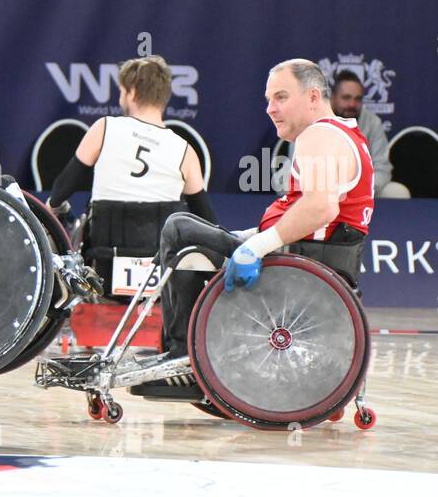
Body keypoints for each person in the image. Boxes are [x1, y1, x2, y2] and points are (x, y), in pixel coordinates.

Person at [135, 59, 374, 398]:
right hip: (309, 254)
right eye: (268, 100)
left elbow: (322, 207)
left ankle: (184, 358)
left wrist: (256, 246)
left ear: (313, 97)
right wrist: (254, 237)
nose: (270, 109)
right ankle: (191, 353)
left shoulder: (320, 134)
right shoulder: (343, 134)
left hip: (302, 263)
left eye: (280, 97)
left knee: (179, 229)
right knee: (193, 235)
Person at [48, 55, 213, 295]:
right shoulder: (185, 151)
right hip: (162, 273)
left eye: (121, 91)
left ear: (133, 92)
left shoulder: (104, 128)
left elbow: (63, 188)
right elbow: (206, 218)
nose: (120, 97)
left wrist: (53, 207)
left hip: (102, 265)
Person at [328, 70, 409, 198]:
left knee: (398, 192)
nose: (352, 104)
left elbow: (382, 168)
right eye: (346, 98)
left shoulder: (372, 122)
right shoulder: (313, 121)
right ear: (333, 98)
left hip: (363, 190)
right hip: (324, 190)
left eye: (357, 99)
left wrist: (361, 190)